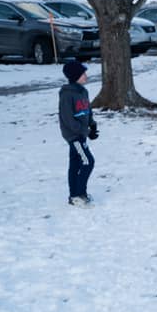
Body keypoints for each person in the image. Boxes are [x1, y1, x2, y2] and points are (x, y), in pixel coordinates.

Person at [58, 61, 98, 208]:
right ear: (75, 76)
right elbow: (68, 119)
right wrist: (85, 131)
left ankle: (74, 196)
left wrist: (92, 125)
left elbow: (87, 110)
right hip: (73, 135)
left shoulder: (83, 91)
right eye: (83, 74)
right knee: (88, 161)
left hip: (81, 133)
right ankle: (79, 194)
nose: (86, 76)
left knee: (75, 164)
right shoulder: (67, 95)